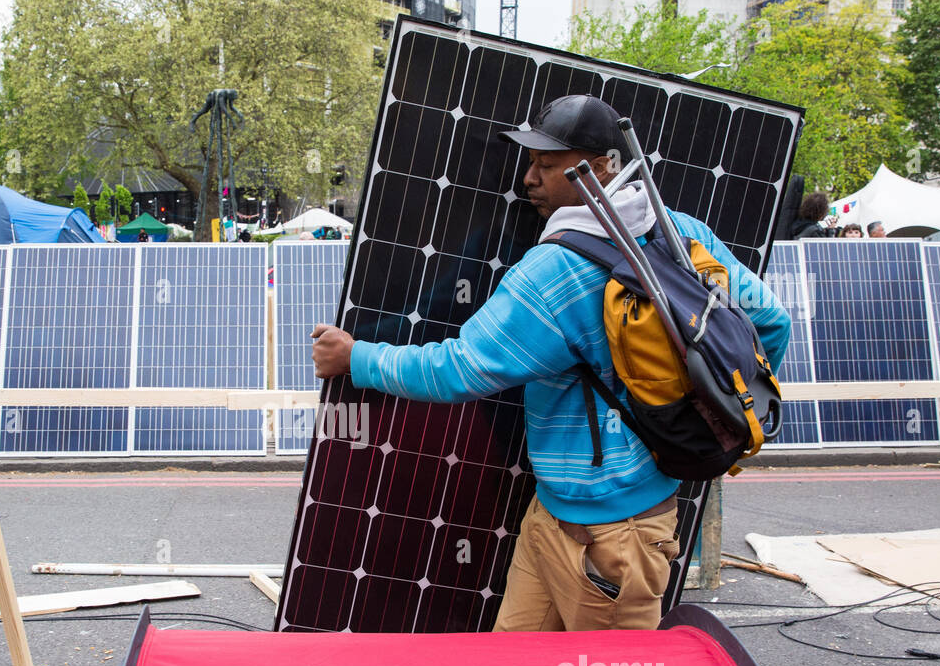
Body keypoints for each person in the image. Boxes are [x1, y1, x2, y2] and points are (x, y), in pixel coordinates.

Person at [310, 95, 791, 633]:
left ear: (604, 165)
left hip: (610, 539)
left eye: (547, 164)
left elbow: (460, 369)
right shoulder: (682, 233)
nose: (528, 179)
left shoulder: (555, 269)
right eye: (531, 162)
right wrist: (701, 409)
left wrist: (357, 357)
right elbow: (770, 324)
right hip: (567, 514)